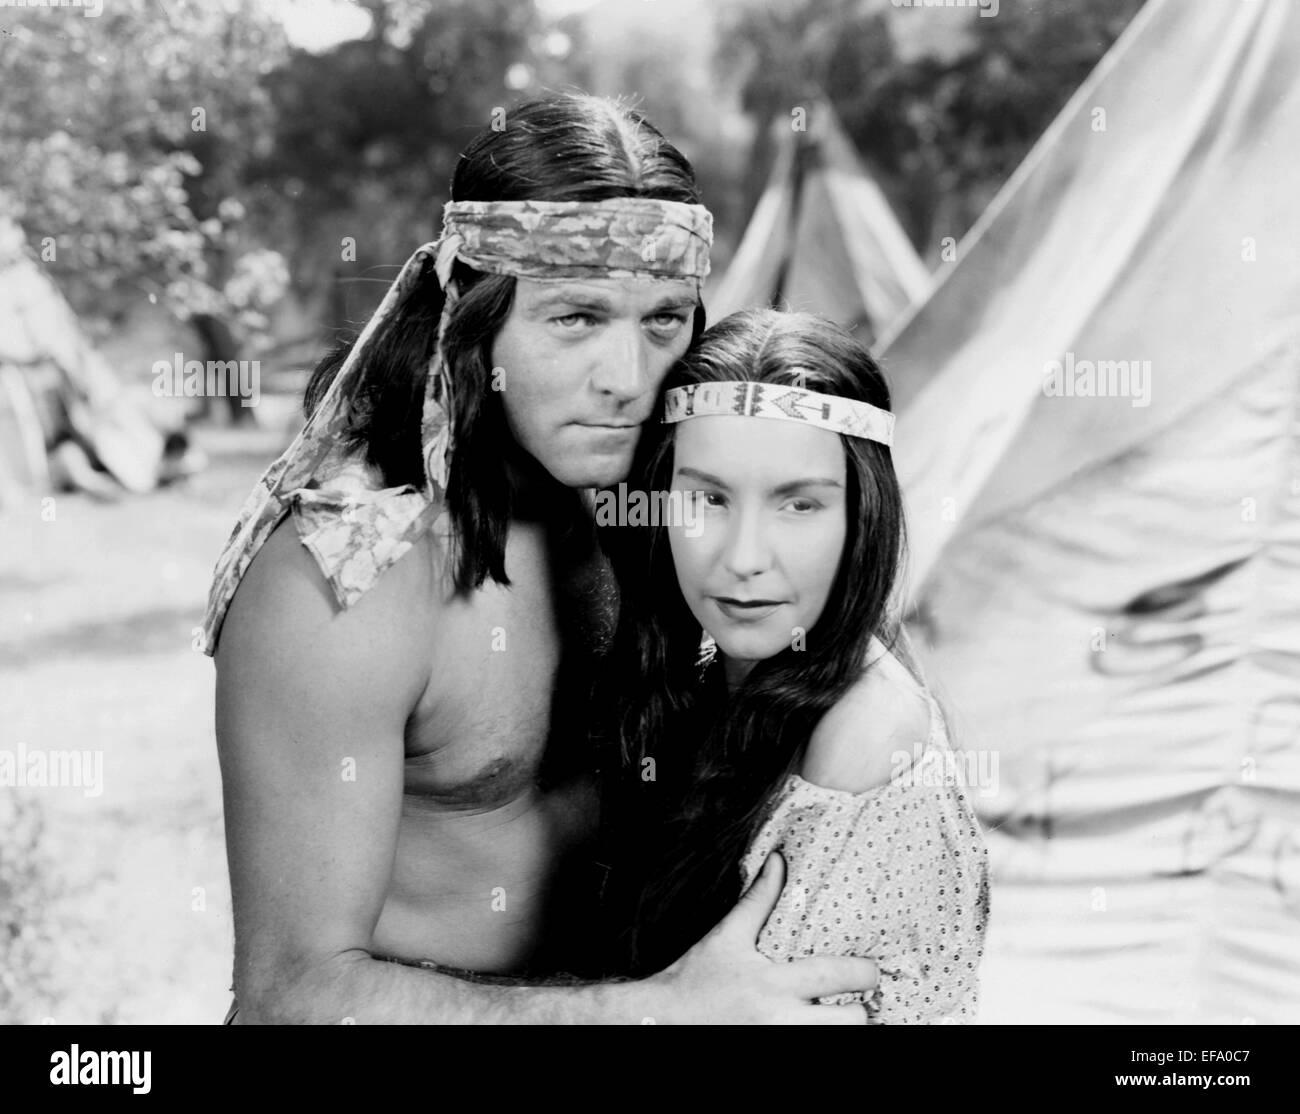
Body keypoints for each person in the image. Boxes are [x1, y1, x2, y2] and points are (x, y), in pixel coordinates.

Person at [201, 95, 879, 1024]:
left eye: (662, 321)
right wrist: (656, 1013)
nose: (627, 379)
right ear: (470, 319)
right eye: (575, 318)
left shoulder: (669, 507)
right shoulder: (346, 577)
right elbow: (294, 995)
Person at [594, 308, 991, 1022]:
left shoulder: (865, 736)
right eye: (707, 499)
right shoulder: (717, 672)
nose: (744, 558)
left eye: (798, 504)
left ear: (860, 517)